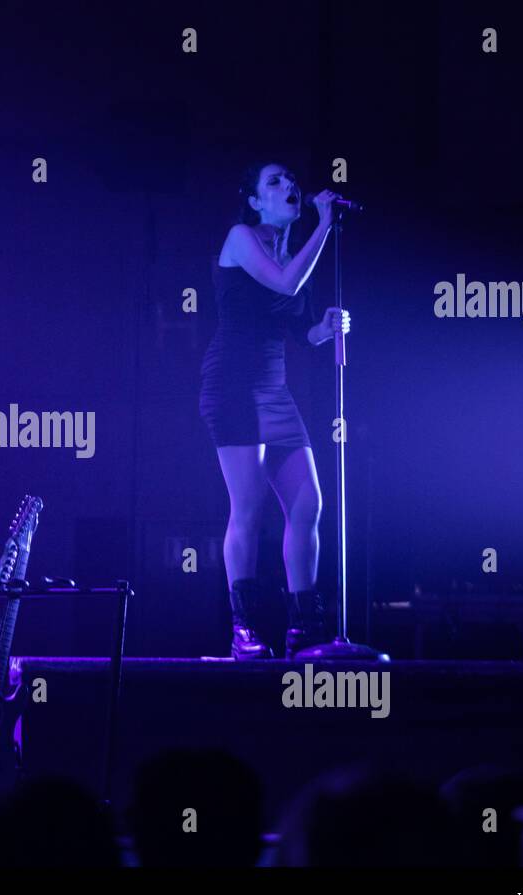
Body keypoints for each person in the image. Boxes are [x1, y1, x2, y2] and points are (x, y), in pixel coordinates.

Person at [200, 162, 349, 659]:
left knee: (309, 504)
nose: (289, 186)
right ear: (256, 201)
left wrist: (326, 328)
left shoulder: (290, 252)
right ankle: (243, 630)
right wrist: (325, 224)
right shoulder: (241, 237)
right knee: (248, 508)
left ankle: (304, 627)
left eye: (290, 179)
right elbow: (284, 284)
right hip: (234, 384)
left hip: (275, 387)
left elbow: (299, 328)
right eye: (274, 182)